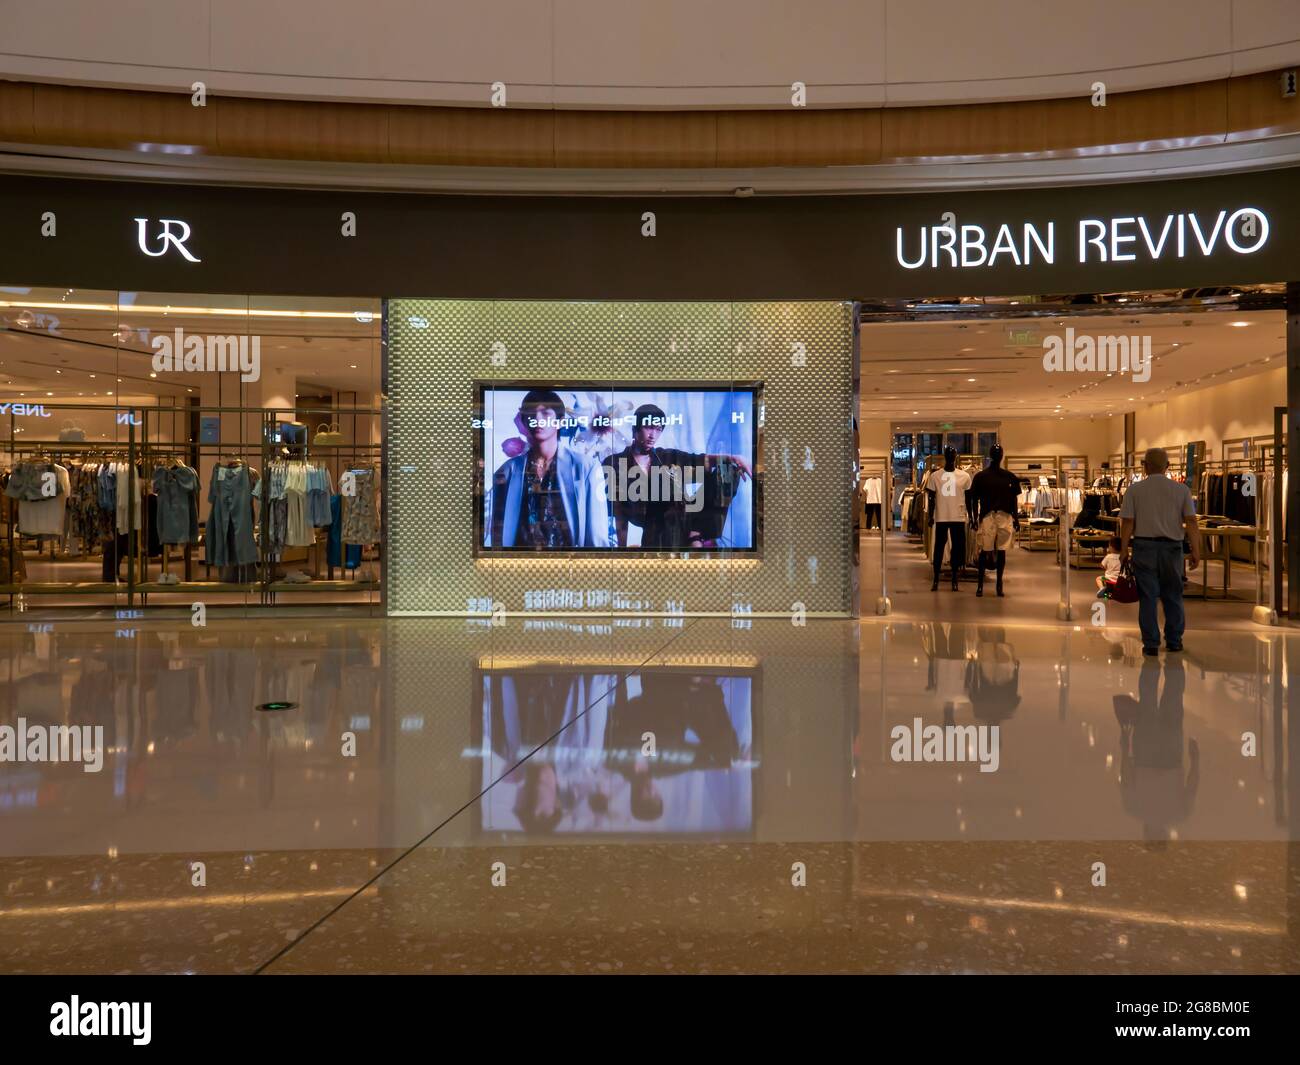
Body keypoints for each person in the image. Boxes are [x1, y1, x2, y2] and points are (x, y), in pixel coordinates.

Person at [602, 403, 752, 548]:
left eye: (658, 429)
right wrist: (622, 549)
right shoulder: (614, 462)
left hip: (682, 516)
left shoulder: (666, 455)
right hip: (655, 523)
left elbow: (701, 460)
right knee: (667, 505)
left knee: (728, 470)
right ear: (635, 428)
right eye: (648, 427)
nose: (653, 435)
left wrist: (734, 458)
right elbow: (619, 512)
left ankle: (696, 532)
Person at [486, 389, 611, 548]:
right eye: (531, 414)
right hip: (519, 566)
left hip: (570, 566)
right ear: (524, 421)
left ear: (560, 421)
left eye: (545, 414)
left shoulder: (586, 467)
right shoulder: (507, 471)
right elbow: (497, 534)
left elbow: (597, 536)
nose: (537, 419)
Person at [1119, 447, 1201, 656]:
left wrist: (1123, 549)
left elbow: (1128, 522)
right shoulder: (1181, 490)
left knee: (1148, 596)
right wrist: (1196, 550)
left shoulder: (1134, 490)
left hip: (1143, 546)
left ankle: (1151, 643)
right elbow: (1190, 521)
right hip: (1172, 548)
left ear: (1144, 466)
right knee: (1173, 595)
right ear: (1167, 467)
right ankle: (1174, 640)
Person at [968, 443, 1020, 598]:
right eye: (995, 453)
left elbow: (1014, 500)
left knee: (1002, 551)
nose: (998, 455)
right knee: (985, 550)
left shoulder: (1009, 477)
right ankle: (980, 585)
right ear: (992, 455)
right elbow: (973, 499)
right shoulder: (981, 477)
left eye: (999, 452)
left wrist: (1016, 518)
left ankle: (999, 584)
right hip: (988, 516)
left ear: (1001, 455)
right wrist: (974, 517)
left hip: (1005, 516)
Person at [924, 445, 972, 591]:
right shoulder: (935, 476)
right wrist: (931, 516)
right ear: (945, 456)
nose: (951, 456)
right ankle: (936, 579)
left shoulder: (965, 476)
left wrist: (971, 517)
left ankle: (955, 578)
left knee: (957, 549)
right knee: (939, 547)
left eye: (953, 454)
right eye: (948, 454)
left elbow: (968, 499)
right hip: (942, 516)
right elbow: (931, 498)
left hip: (958, 516)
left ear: (956, 456)